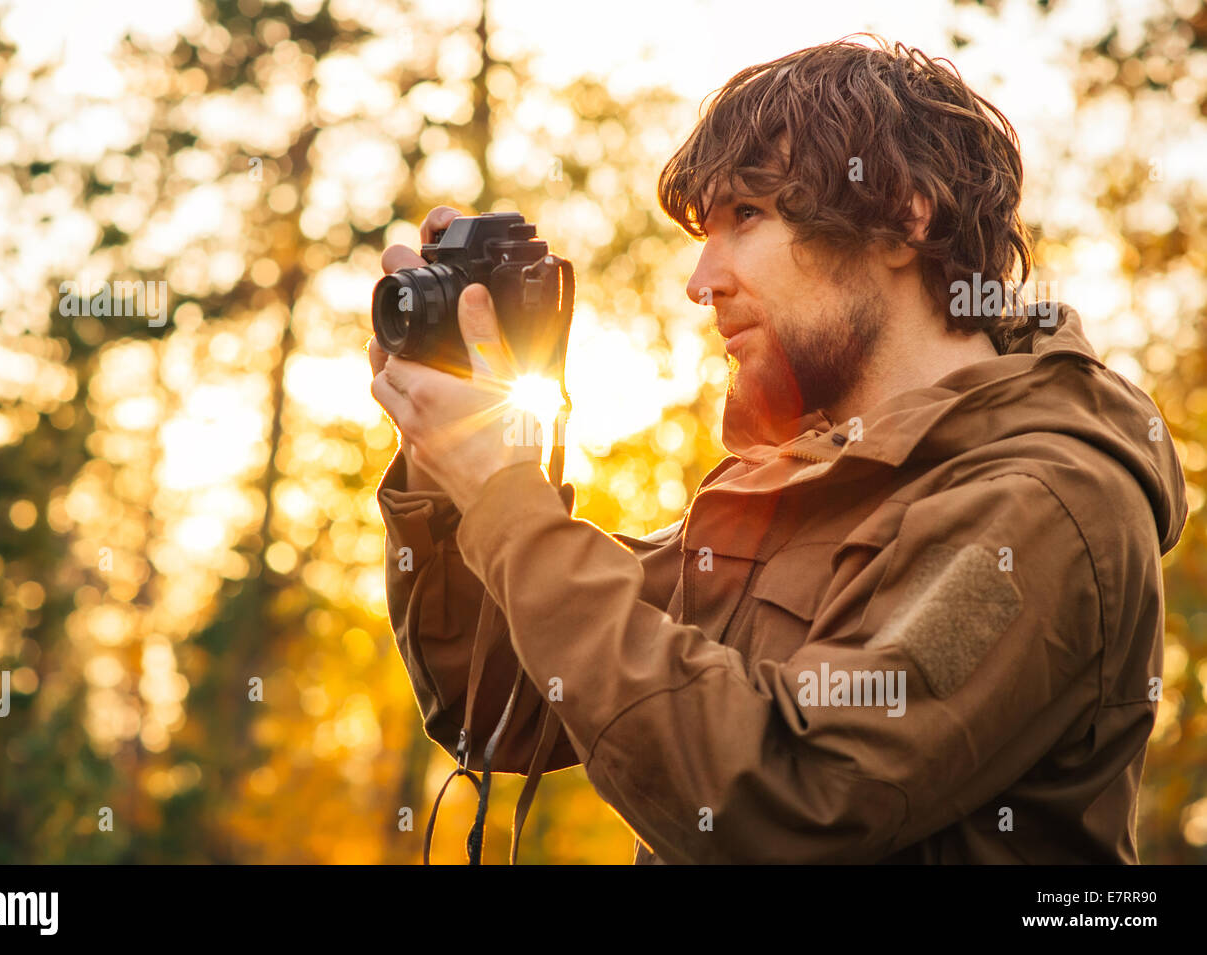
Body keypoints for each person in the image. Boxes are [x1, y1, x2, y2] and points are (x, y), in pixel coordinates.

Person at [368, 35, 1188, 863]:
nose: (700, 281)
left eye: (745, 217)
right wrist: (450, 460)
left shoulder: (1045, 507)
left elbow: (790, 797)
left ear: (904, 214)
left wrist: (510, 505)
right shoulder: (788, 480)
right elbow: (508, 701)